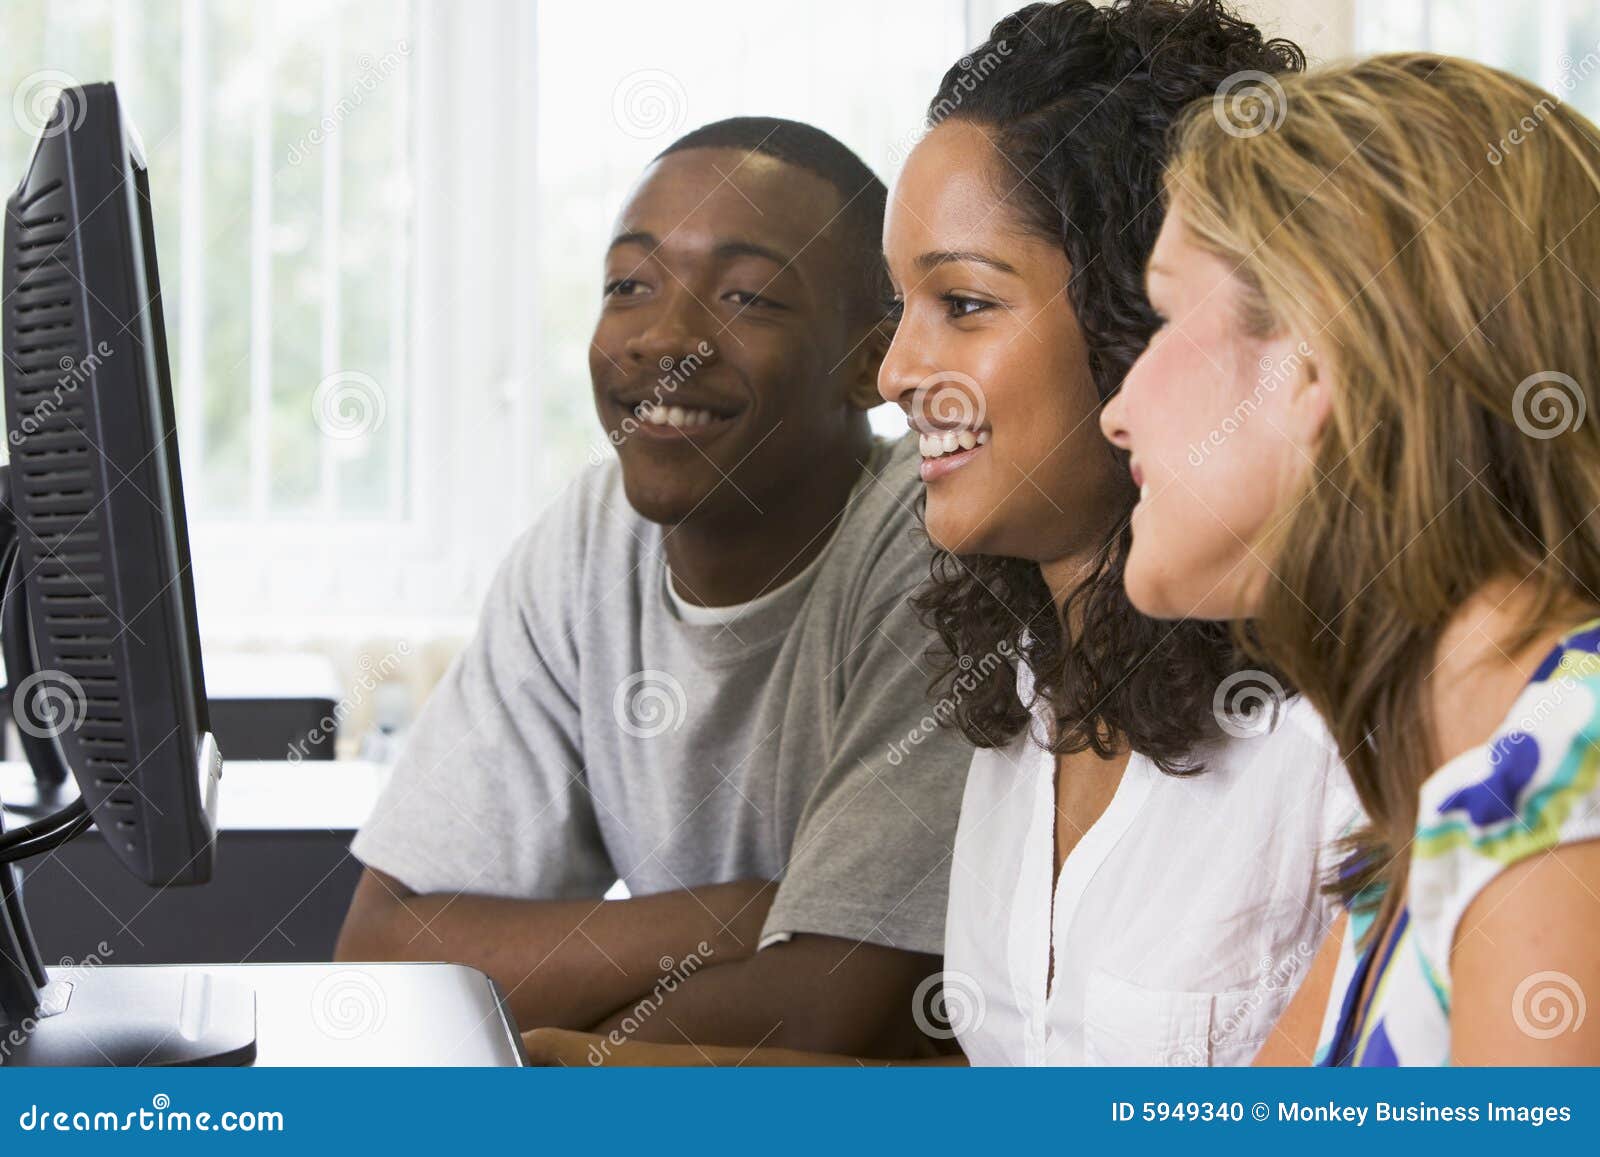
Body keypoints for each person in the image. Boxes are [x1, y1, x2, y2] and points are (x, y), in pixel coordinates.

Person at [524, 0, 1353, 1069]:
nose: (893, 374)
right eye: (901, 304)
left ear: (1142, 322)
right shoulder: (1020, 689)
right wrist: (584, 1072)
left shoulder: (1332, 729)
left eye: (962, 303)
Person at [337, 116, 973, 1059]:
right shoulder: (591, 538)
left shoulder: (934, 553)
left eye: (747, 296)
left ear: (869, 360)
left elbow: (835, 1012)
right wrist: (750, 912)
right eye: (629, 285)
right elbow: (383, 957)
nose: (664, 340)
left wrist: (560, 1044)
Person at [1101, 53, 1600, 1065]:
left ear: (1314, 360)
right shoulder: (1434, 807)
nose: (1115, 412)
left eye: (1162, 319)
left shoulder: (1558, 801)